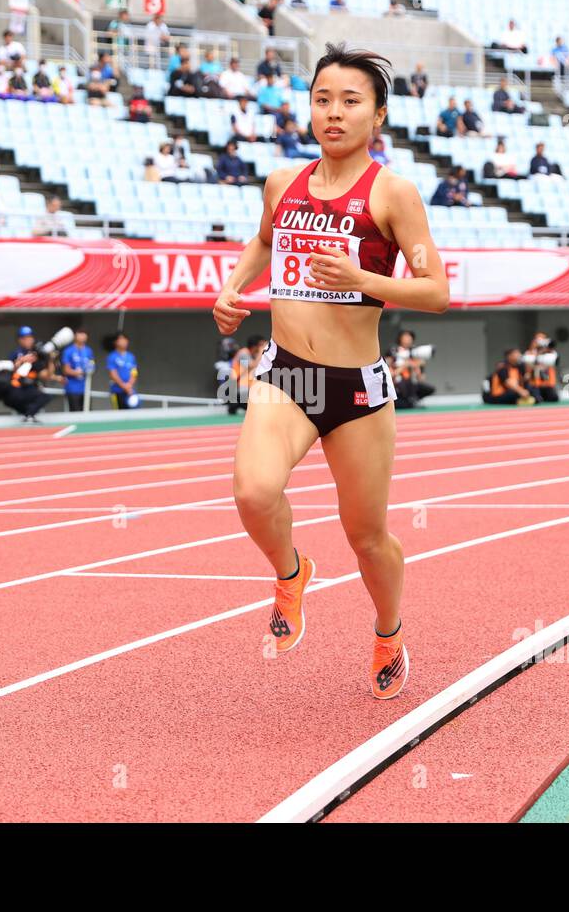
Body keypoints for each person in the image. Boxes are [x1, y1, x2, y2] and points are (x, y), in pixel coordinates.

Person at [210, 42, 449, 700]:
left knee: (367, 537)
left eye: (350, 102)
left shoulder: (395, 195)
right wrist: (234, 288)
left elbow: (436, 291)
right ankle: (291, 574)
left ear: (378, 117)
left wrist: (363, 277)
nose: (333, 113)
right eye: (322, 100)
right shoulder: (281, 184)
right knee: (254, 492)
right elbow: (265, 239)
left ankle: (388, 628)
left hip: (357, 389)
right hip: (288, 375)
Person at [6, 326, 56, 421]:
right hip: (17, 388)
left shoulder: (36, 355)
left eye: (30, 337)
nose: (28, 340)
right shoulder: (15, 353)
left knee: (45, 397)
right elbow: (10, 369)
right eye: (24, 338)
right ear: (19, 340)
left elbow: (45, 375)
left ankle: (28, 415)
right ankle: (28, 415)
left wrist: (50, 360)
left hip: (31, 389)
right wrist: (22, 360)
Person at [388, 330, 434, 408]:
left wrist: (416, 367)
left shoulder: (416, 353)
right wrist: (404, 366)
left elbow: (421, 379)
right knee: (400, 403)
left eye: (409, 337)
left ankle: (412, 400)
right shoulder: (393, 352)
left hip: (411, 385)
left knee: (428, 389)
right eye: (405, 337)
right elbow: (391, 374)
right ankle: (409, 402)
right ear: (400, 338)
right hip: (397, 385)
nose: (408, 339)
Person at [59, 328, 95, 411]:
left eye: (84, 334)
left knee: (87, 411)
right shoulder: (68, 350)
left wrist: (90, 369)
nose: (82, 336)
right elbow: (66, 370)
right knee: (75, 412)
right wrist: (77, 372)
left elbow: (92, 365)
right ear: (75, 335)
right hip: (72, 388)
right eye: (80, 333)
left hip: (86, 387)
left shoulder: (88, 350)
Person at [105, 332, 139, 409]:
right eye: (121, 339)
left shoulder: (131, 356)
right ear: (115, 342)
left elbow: (134, 372)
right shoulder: (112, 356)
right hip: (117, 391)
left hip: (130, 391)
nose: (123, 341)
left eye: (125, 339)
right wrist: (124, 386)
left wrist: (129, 385)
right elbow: (113, 373)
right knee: (119, 414)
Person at [522, 332, 559, 403]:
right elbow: (529, 364)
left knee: (553, 398)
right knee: (537, 399)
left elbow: (554, 359)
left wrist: (546, 350)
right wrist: (537, 351)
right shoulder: (529, 353)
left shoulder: (550, 353)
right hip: (534, 383)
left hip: (547, 383)